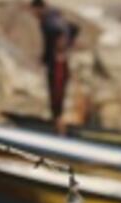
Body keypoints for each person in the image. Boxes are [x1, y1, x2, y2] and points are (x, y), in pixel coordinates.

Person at [31, 0, 79, 135]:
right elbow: (74, 28)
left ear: (39, 8)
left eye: (34, 11)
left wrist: (63, 47)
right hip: (55, 62)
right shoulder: (55, 18)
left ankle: (59, 129)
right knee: (56, 95)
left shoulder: (49, 21)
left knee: (57, 95)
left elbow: (62, 33)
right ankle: (57, 126)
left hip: (58, 63)